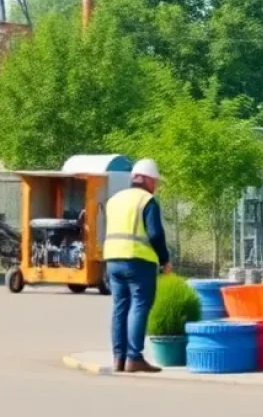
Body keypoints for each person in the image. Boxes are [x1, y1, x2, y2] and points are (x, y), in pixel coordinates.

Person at [103, 158, 171, 373]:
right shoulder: (147, 201)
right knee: (140, 306)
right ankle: (134, 357)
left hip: (113, 261)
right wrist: (165, 260)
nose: (156, 187)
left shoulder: (114, 200)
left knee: (120, 308)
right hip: (138, 262)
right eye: (156, 182)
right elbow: (155, 234)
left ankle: (118, 358)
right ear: (149, 180)